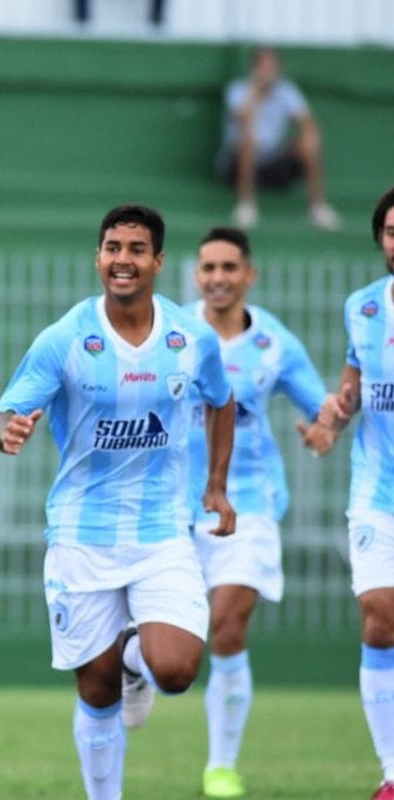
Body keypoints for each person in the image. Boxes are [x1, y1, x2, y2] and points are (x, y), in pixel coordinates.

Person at [0, 204, 236, 800]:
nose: (122, 260)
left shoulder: (190, 338)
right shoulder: (66, 339)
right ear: (99, 257)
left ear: (157, 261)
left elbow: (222, 401)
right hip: (81, 534)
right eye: (112, 248)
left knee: (176, 670)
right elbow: (5, 412)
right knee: (97, 690)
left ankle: (137, 659)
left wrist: (216, 486)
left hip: (161, 531)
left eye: (135, 249)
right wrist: (9, 431)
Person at [184, 225, 327, 799]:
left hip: (253, 504)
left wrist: (322, 429)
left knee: (227, 624)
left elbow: (321, 409)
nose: (218, 278)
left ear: (249, 275)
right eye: (209, 268)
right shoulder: (176, 331)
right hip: (170, 506)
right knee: (168, 641)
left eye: (229, 267)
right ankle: (136, 674)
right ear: (197, 275)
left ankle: (221, 765)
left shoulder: (275, 343)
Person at [302, 187, 394, 800]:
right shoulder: (362, 307)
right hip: (377, 491)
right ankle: (392, 773)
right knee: (379, 616)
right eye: (392, 230)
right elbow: (352, 388)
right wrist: (329, 422)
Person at [215, 46, 339, 231]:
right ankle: (246, 205)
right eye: (263, 67)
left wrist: (307, 136)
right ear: (253, 68)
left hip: (273, 163)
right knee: (248, 142)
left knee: (309, 141)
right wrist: (255, 91)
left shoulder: (286, 91)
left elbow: (307, 122)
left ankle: (318, 208)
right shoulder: (238, 90)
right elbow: (241, 118)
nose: (268, 72)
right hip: (236, 165)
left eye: (272, 67)